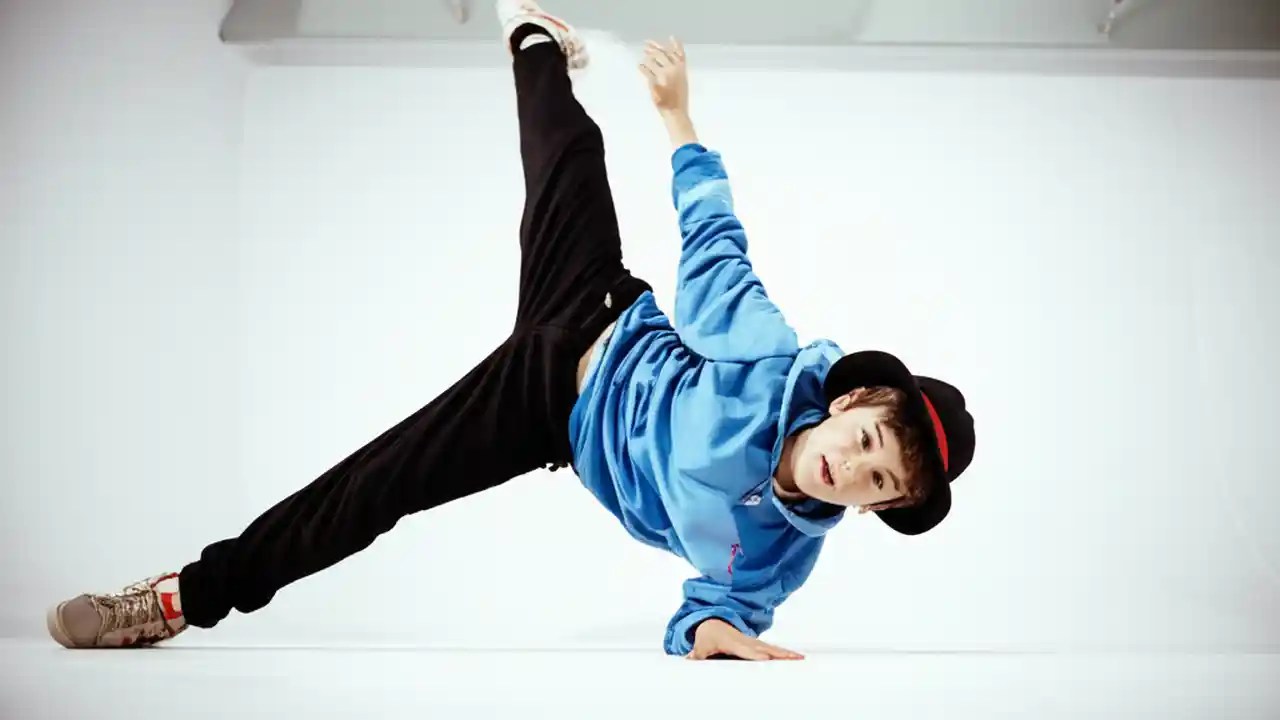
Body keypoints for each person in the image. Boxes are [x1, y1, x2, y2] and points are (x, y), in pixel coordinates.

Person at [46, 0, 975, 661]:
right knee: (572, 152)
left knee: (376, 486)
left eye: (879, 483)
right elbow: (716, 245)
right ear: (849, 402)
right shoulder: (771, 363)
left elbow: (707, 611)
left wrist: (713, 635)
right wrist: (679, 117)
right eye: (864, 442)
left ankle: (176, 600)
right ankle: (537, 35)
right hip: (596, 307)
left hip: (545, 419)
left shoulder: (780, 560)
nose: (852, 469)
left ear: (880, 506)